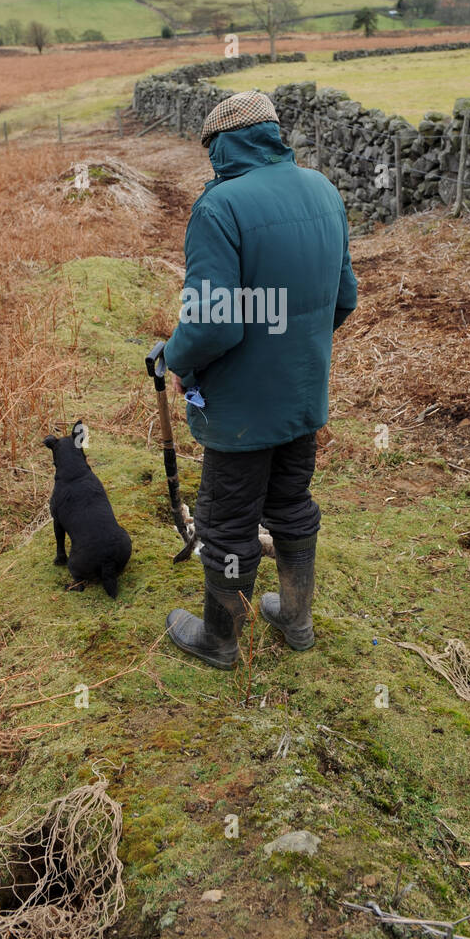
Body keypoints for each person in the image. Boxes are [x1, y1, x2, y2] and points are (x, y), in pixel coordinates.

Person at [162, 88, 357, 669]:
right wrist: (298, 346)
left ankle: (219, 640)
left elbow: (212, 322)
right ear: (272, 134)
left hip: (241, 411)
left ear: (222, 143)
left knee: (225, 523)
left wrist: (177, 359)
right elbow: (343, 298)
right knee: (291, 504)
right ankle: (295, 619)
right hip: (302, 395)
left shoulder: (220, 208)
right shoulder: (323, 189)